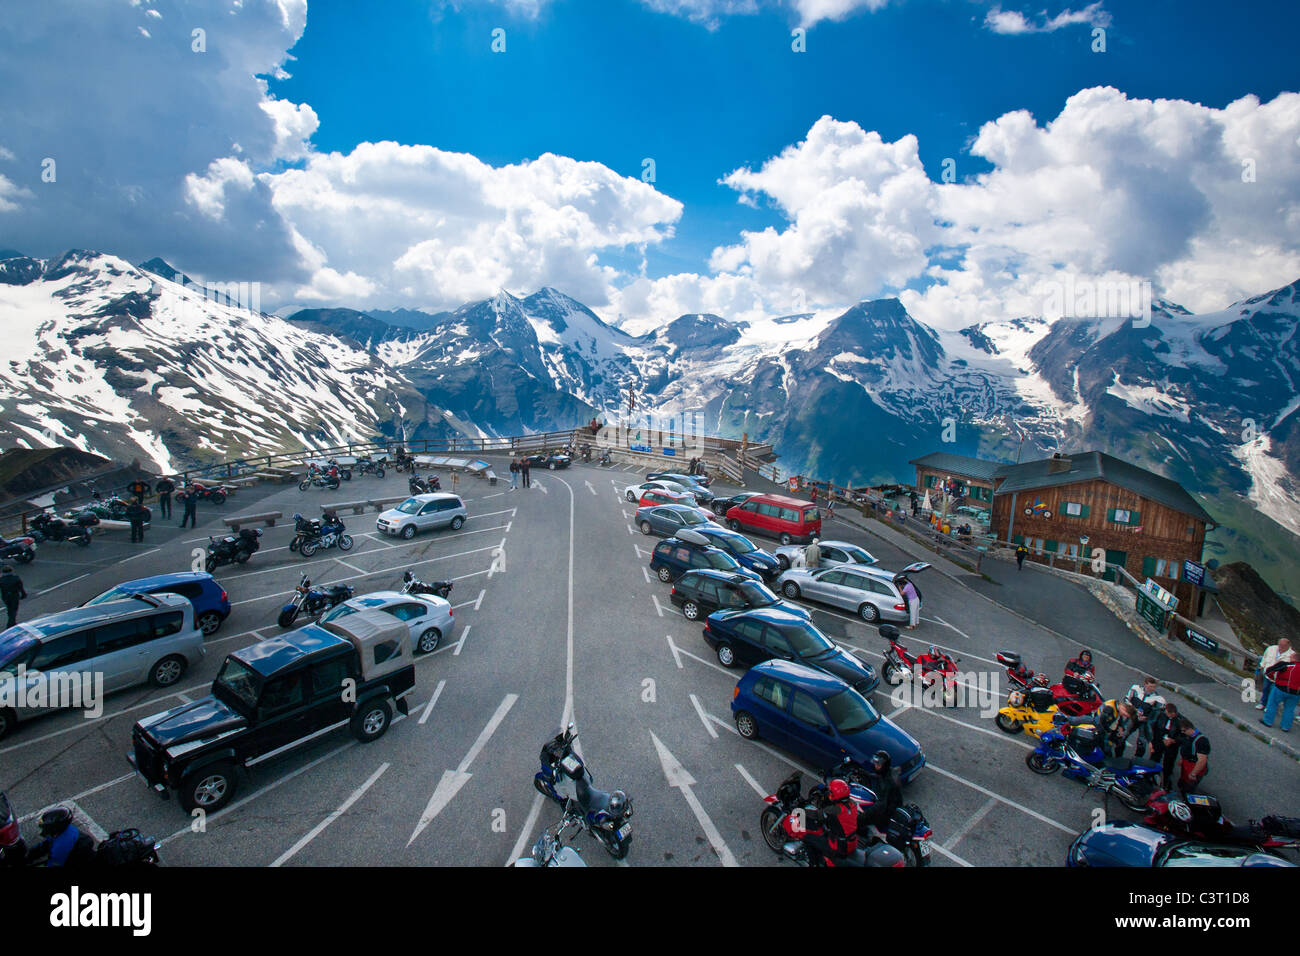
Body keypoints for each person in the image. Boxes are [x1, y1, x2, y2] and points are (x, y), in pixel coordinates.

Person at [31, 808, 96, 867]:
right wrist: (32, 853)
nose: (42, 830)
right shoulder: (64, 830)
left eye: (44, 828)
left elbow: (54, 864)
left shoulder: (59, 848)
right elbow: (47, 843)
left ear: (52, 829)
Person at [1121, 676, 1166, 758]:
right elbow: (1126, 699)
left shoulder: (1158, 699)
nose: (1152, 689)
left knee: (1142, 742)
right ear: (1145, 685)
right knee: (1123, 735)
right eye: (1150, 686)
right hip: (1133, 717)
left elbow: (1158, 714)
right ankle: (1118, 755)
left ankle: (1137, 760)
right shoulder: (1135, 689)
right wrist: (1134, 711)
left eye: (1154, 687)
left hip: (1144, 721)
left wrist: (1148, 719)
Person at [1261, 657, 1300, 733]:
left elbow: (1269, 671)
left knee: (1273, 704)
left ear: (1294, 658)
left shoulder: (1286, 665)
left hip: (1280, 688)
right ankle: (1285, 727)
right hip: (1296, 693)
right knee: (1289, 709)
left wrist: (1273, 679)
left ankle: (1268, 721)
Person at [1257, 638, 1295, 712]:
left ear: (1288, 646)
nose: (1281, 647)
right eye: (1280, 645)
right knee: (1265, 689)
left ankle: (1269, 707)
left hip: (1279, 678)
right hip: (1268, 674)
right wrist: (1262, 665)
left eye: (1283, 646)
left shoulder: (1292, 655)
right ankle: (1263, 703)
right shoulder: (1271, 649)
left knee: (1273, 694)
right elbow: (1265, 657)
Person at [1175, 717, 1210, 794]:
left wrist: (1193, 774)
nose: (1182, 733)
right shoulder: (1189, 736)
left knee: (1188, 788)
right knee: (1182, 783)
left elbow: (1202, 761)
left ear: (1189, 728)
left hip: (1194, 766)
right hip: (1186, 763)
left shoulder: (1201, 741)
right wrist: (1182, 759)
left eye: (1183, 731)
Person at [1150, 702, 1181, 789]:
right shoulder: (1161, 716)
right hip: (1159, 741)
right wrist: (1152, 742)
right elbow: (1153, 727)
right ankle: (1152, 778)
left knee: (1168, 765)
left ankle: (1166, 784)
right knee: (1154, 759)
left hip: (1171, 745)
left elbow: (1183, 736)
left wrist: (1173, 740)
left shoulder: (1180, 721)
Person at [0, 564, 26, 629]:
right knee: (14, 609)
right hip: (14, 596)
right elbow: (21, 587)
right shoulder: (16, 578)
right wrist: (23, 594)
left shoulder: (1, 580)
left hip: (6, 596)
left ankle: (12, 622)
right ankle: (11, 624)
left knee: (9, 609)